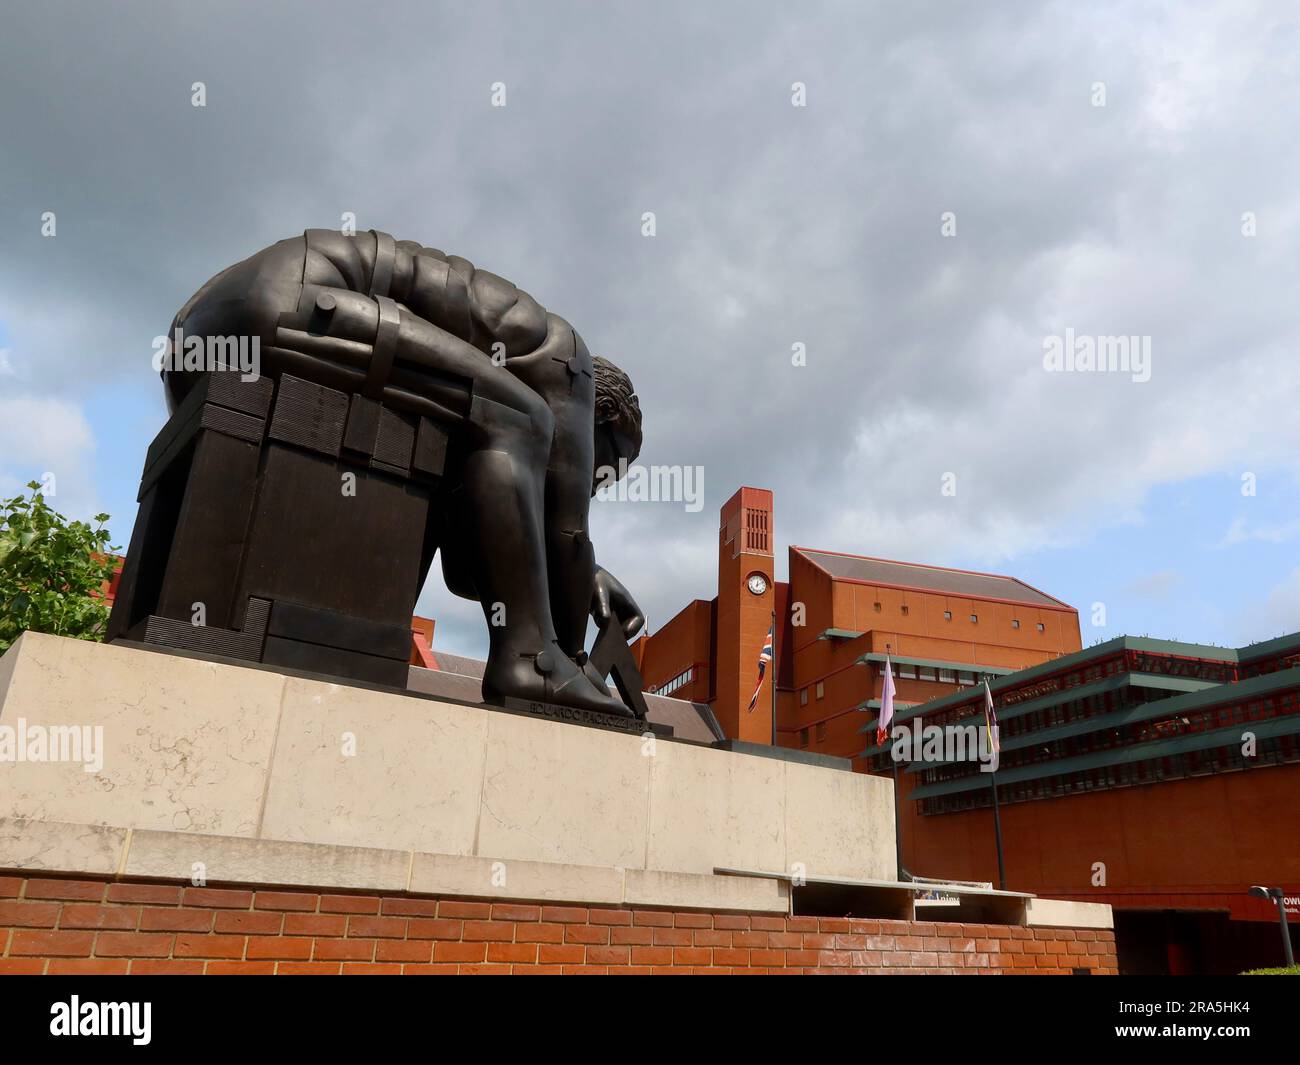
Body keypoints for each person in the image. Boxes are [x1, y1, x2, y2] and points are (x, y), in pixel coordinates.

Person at [165, 228, 644, 715]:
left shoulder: (483, 421)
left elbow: (470, 567)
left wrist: (585, 582)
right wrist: (572, 657)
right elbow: (568, 532)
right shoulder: (569, 360)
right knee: (521, 420)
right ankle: (532, 664)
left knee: (500, 419)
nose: (589, 481)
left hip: (199, 336)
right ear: (601, 414)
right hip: (290, 301)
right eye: (604, 468)